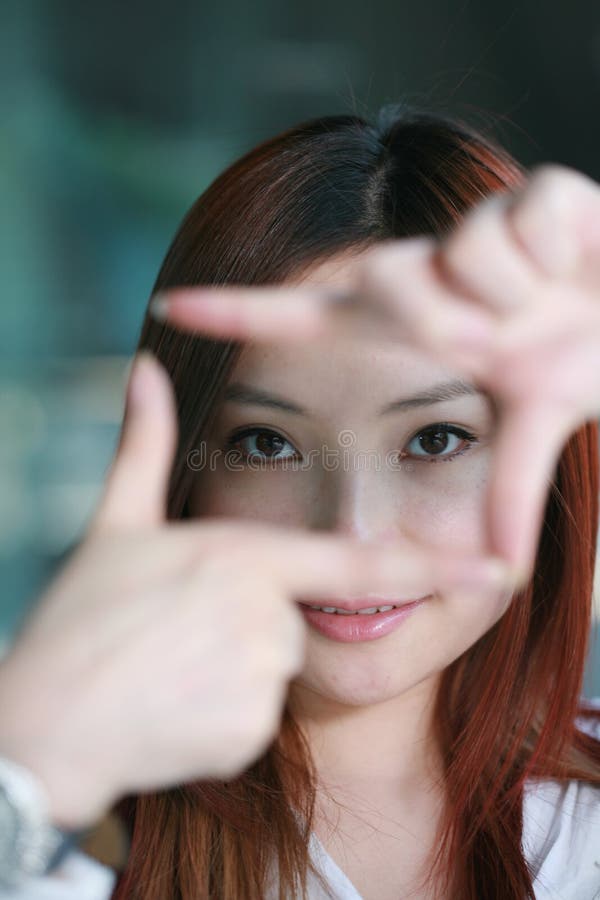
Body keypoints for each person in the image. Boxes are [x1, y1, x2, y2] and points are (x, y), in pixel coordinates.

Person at [3, 103, 600, 898]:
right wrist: (29, 768)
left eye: (434, 439)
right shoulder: (53, 827)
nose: (352, 530)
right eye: (266, 443)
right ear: (188, 470)